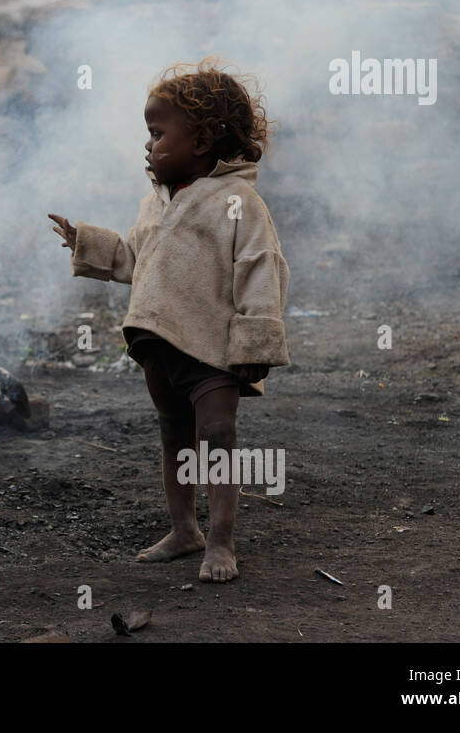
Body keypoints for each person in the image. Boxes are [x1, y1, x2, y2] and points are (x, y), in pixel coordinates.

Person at [48, 59, 289, 583]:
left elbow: (260, 269)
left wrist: (255, 343)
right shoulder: (154, 203)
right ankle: (185, 529)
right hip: (159, 343)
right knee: (174, 436)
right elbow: (137, 261)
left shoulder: (238, 202)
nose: (149, 145)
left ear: (201, 141)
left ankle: (221, 541)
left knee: (219, 435)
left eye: (158, 133)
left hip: (214, 349)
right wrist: (86, 241)